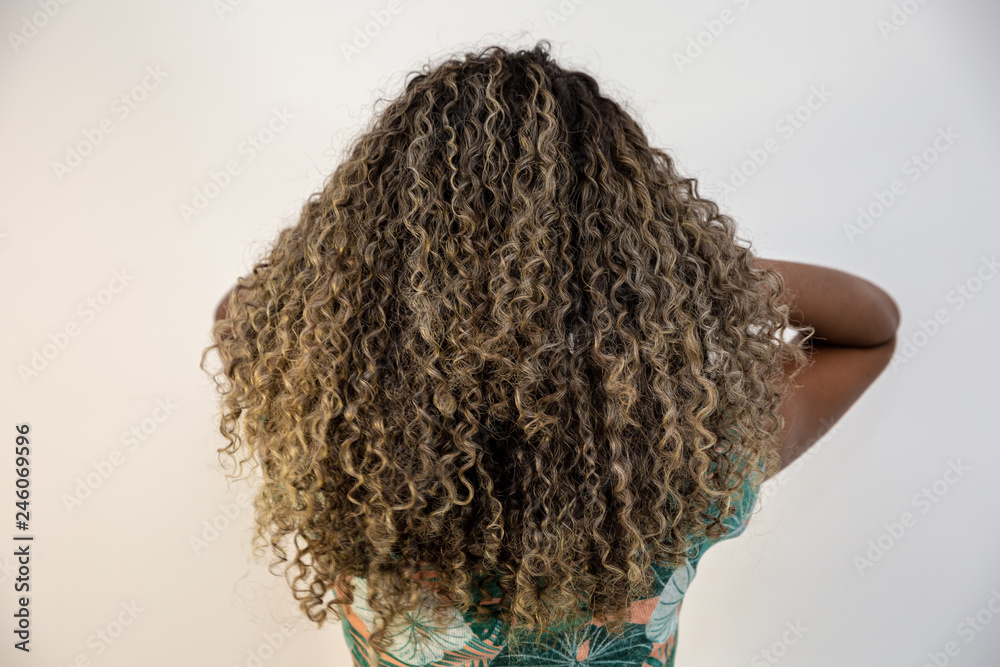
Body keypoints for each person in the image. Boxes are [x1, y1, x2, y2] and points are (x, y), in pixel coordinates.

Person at [202, 41, 900, 667]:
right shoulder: (689, 464)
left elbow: (239, 314)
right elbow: (871, 327)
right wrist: (694, 270)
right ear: (629, 257)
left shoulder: (331, 442)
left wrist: (343, 262)